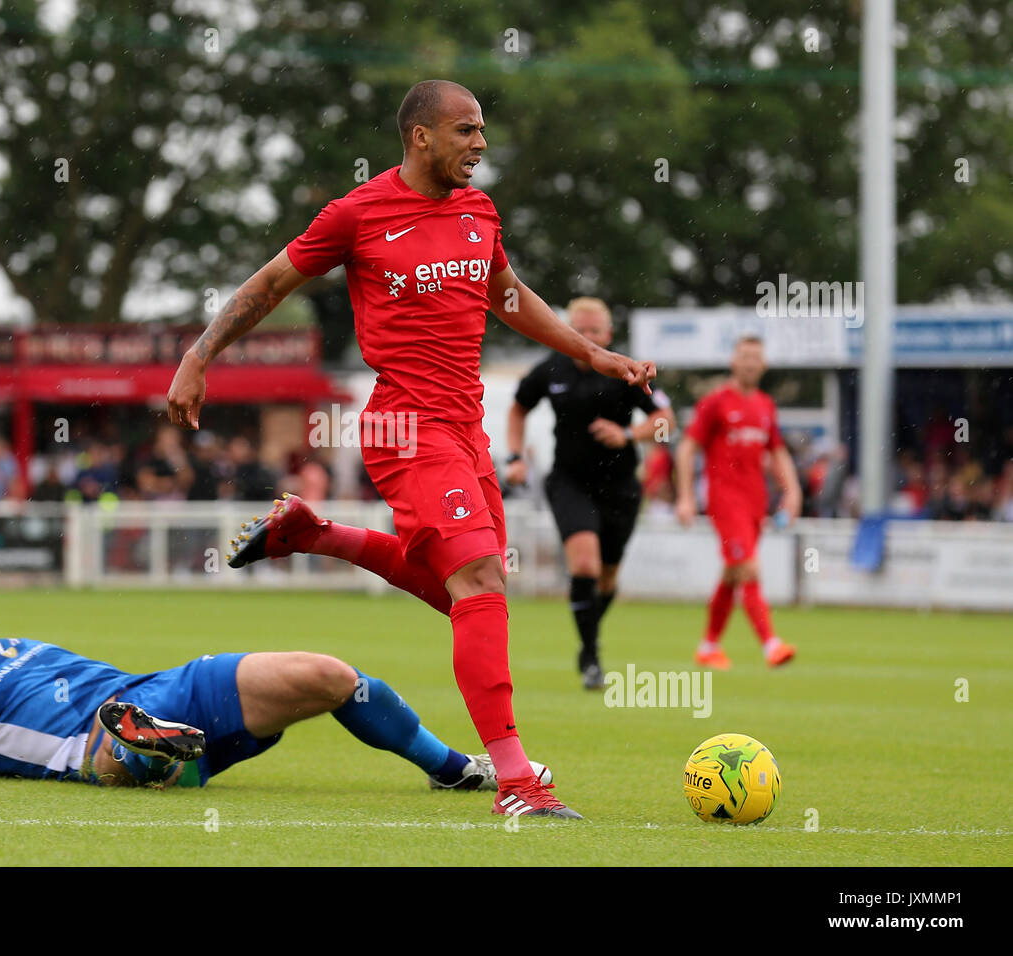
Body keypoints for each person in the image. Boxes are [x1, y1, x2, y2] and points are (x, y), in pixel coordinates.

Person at [166, 79, 655, 818]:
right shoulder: (358, 214)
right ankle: (518, 780)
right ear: (421, 136)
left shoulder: (478, 211)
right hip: (405, 425)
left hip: (466, 429)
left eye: (482, 130)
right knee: (482, 579)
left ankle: (315, 532)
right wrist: (199, 356)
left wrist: (594, 355)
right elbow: (270, 284)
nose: (480, 144)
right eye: (466, 131)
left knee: (466, 594)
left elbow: (511, 297)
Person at [0, 560, 550, 802]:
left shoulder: (20, 645)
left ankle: (453, 770)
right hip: (92, 748)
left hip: (168, 689)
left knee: (335, 677)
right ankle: (150, 753)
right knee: (114, 742)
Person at [506, 297, 675, 689]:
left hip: (620, 486)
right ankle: (590, 655)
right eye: (578, 331)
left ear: (609, 334)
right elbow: (517, 409)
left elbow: (666, 423)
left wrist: (628, 434)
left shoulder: (624, 371)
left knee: (608, 577)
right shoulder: (549, 370)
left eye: (594, 331)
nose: (586, 338)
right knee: (585, 565)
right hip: (568, 481)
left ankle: (588, 638)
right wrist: (515, 456)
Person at [674, 335, 800, 670]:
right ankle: (771, 644)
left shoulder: (764, 405)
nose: (748, 363)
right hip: (725, 501)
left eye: (754, 357)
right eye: (743, 356)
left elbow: (777, 452)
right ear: (733, 362)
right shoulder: (715, 403)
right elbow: (687, 448)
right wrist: (686, 496)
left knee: (733, 573)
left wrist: (793, 492)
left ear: (763, 364)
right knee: (749, 568)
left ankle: (708, 645)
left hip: (755, 502)